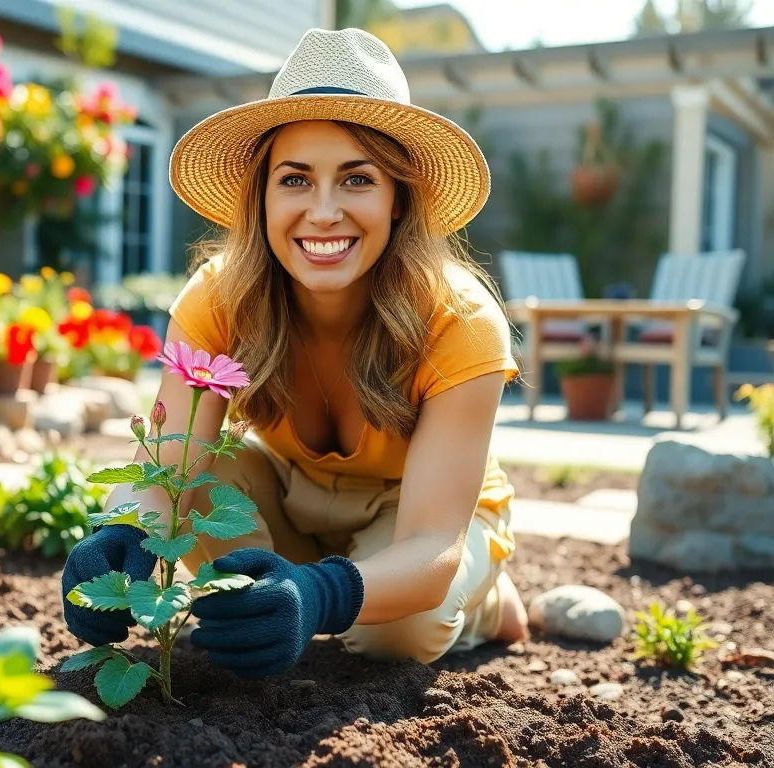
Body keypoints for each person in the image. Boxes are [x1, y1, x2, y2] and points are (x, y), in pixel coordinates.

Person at [61, 27, 530, 680]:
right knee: (206, 528)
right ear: (263, 196)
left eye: (357, 178)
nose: (325, 210)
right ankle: (294, 596)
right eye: (296, 179)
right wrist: (122, 540)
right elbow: (172, 474)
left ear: (399, 200)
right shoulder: (219, 298)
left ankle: (482, 603)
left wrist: (319, 595)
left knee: (400, 633)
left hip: (419, 509)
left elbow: (428, 541)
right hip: (287, 491)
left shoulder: (461, 318)